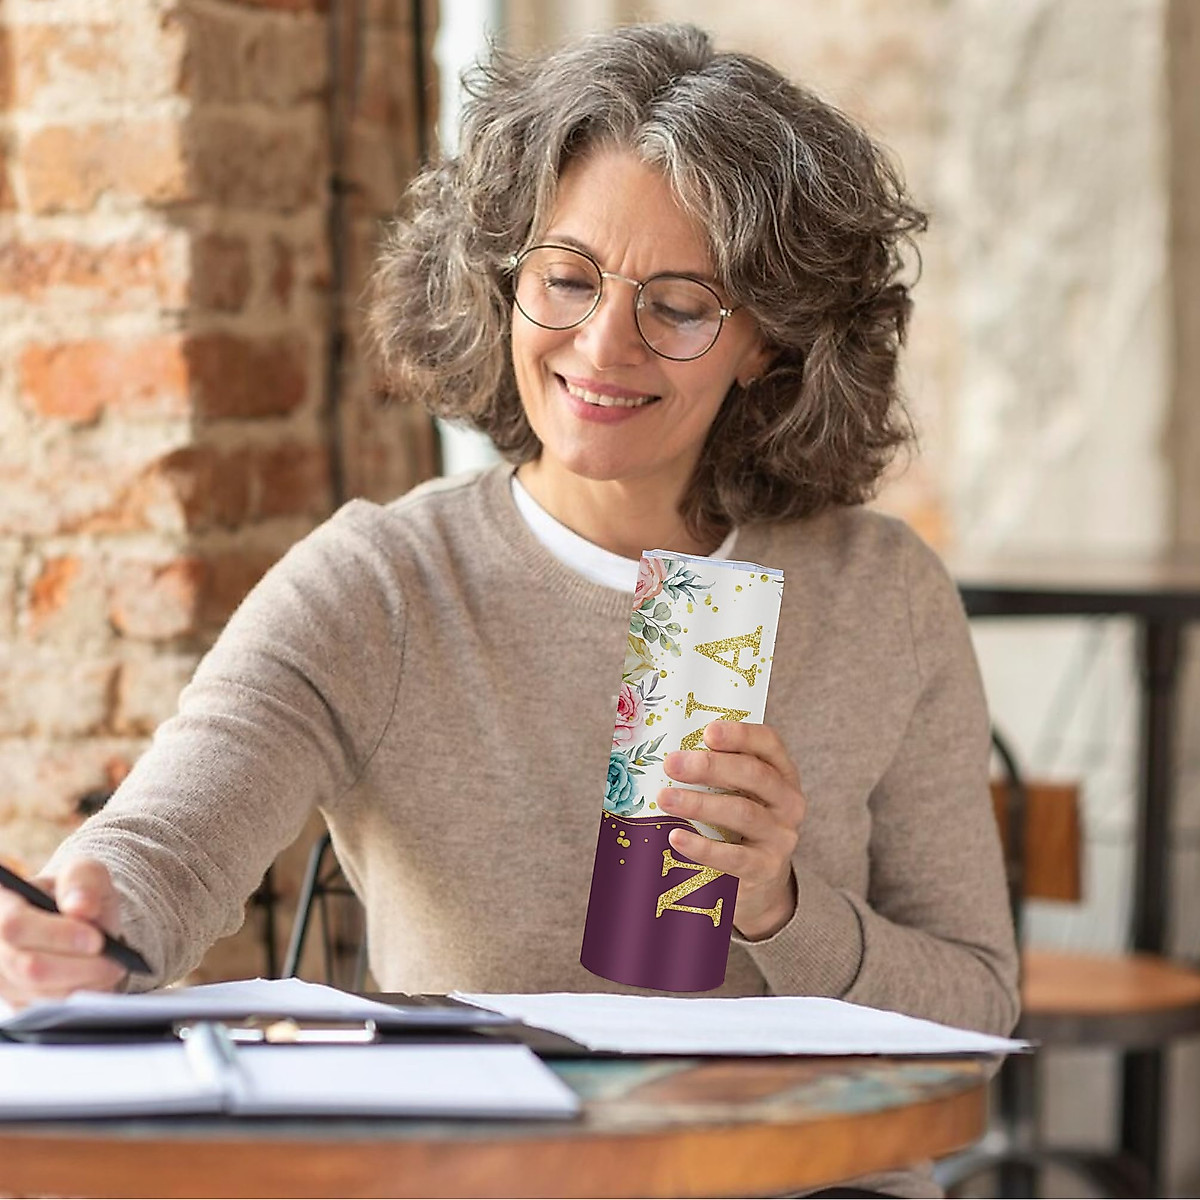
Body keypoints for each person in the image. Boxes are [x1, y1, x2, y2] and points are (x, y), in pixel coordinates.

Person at [0, 23, 1016, 1196]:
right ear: (504, 280)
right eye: (568, 280)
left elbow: (977, 1002)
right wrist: (84, 926)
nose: (604, 344)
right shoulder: (382, 585)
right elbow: (164, 848)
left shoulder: (882, 595)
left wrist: (783, 909)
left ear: (764, 340)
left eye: (680, 304)